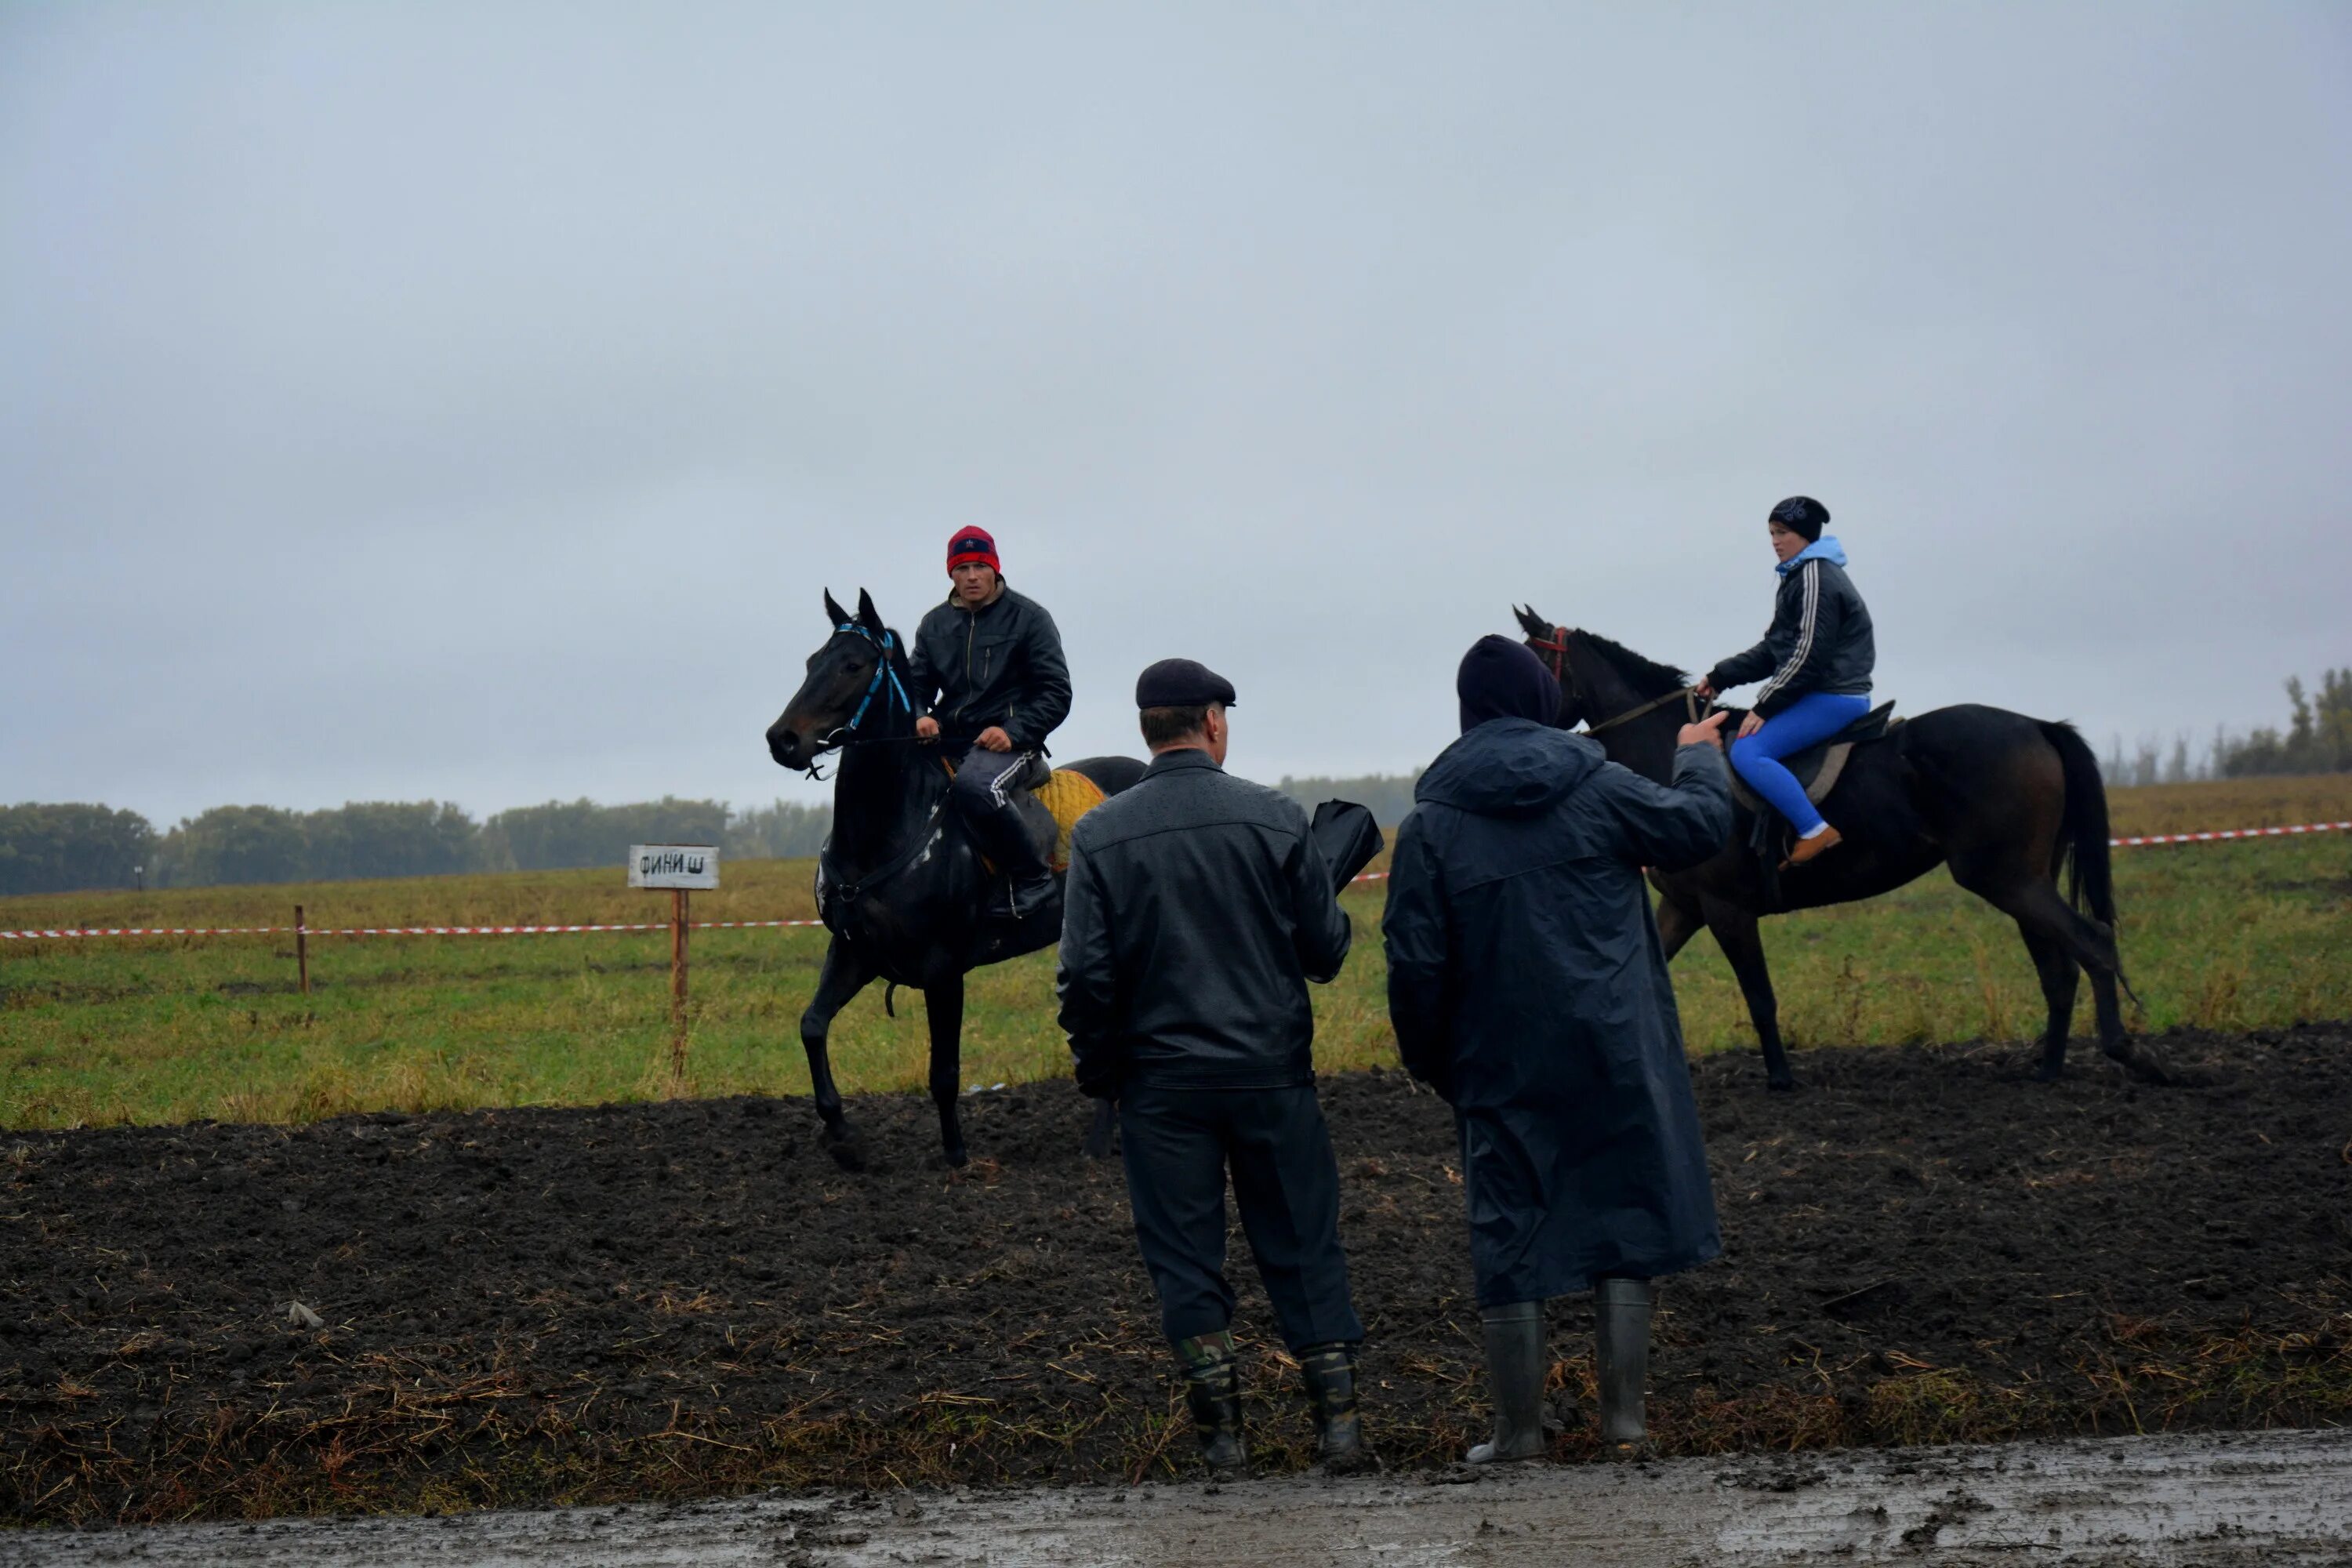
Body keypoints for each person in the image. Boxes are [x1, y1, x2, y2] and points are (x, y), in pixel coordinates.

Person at [1382, 635, 1731, 1464]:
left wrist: (1437, 1062)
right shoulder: (1600, 782)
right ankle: (1625, 1425)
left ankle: (1517, 1432)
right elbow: (1701, 826)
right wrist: (1698, 757)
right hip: (1615, 1043)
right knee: (1625, 1211)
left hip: (1496, 1057)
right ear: (1543, 702)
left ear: (1468, 714)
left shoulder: (1432, 821)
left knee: (1509, 1225)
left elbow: (1414, 962)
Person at [1055, 659, 1367, 1476]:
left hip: (1160, 1088)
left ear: (1146, 729)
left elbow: (1084, 974)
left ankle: (1223, 1443)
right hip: (1272, 1076)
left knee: (1185, 1259)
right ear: (1215, 721)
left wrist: (1100, 1071)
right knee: (1303, 1243)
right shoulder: (1274, 817)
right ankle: (1340, 1432)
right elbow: (1327, 953)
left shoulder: (1097, 833)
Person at [1692, 495, 1876, 868]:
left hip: (1834, 695)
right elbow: (1774, 650)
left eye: (1783, 533)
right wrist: (1721, 675)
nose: (1775, 541)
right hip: (1818, 691)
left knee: (1748, 750)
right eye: (1772, 533)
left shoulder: (1814, 576)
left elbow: (1809, 655)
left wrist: (1766, 704)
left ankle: (1813, 830)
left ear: (1806, 535)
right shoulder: (1799, 576)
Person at [908, 527, 1074, 916]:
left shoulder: (1031, 618)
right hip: (950, 740)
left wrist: (1012, 732)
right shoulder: (933, 625)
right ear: (951, 574)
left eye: (980, 566)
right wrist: (919, 716)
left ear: (995, 569)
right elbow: (915, 685)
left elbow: (1057, 692)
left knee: (976, 785)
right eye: (962, 568)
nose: (971, 576)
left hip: (1011, 744)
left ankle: (1034, 879)